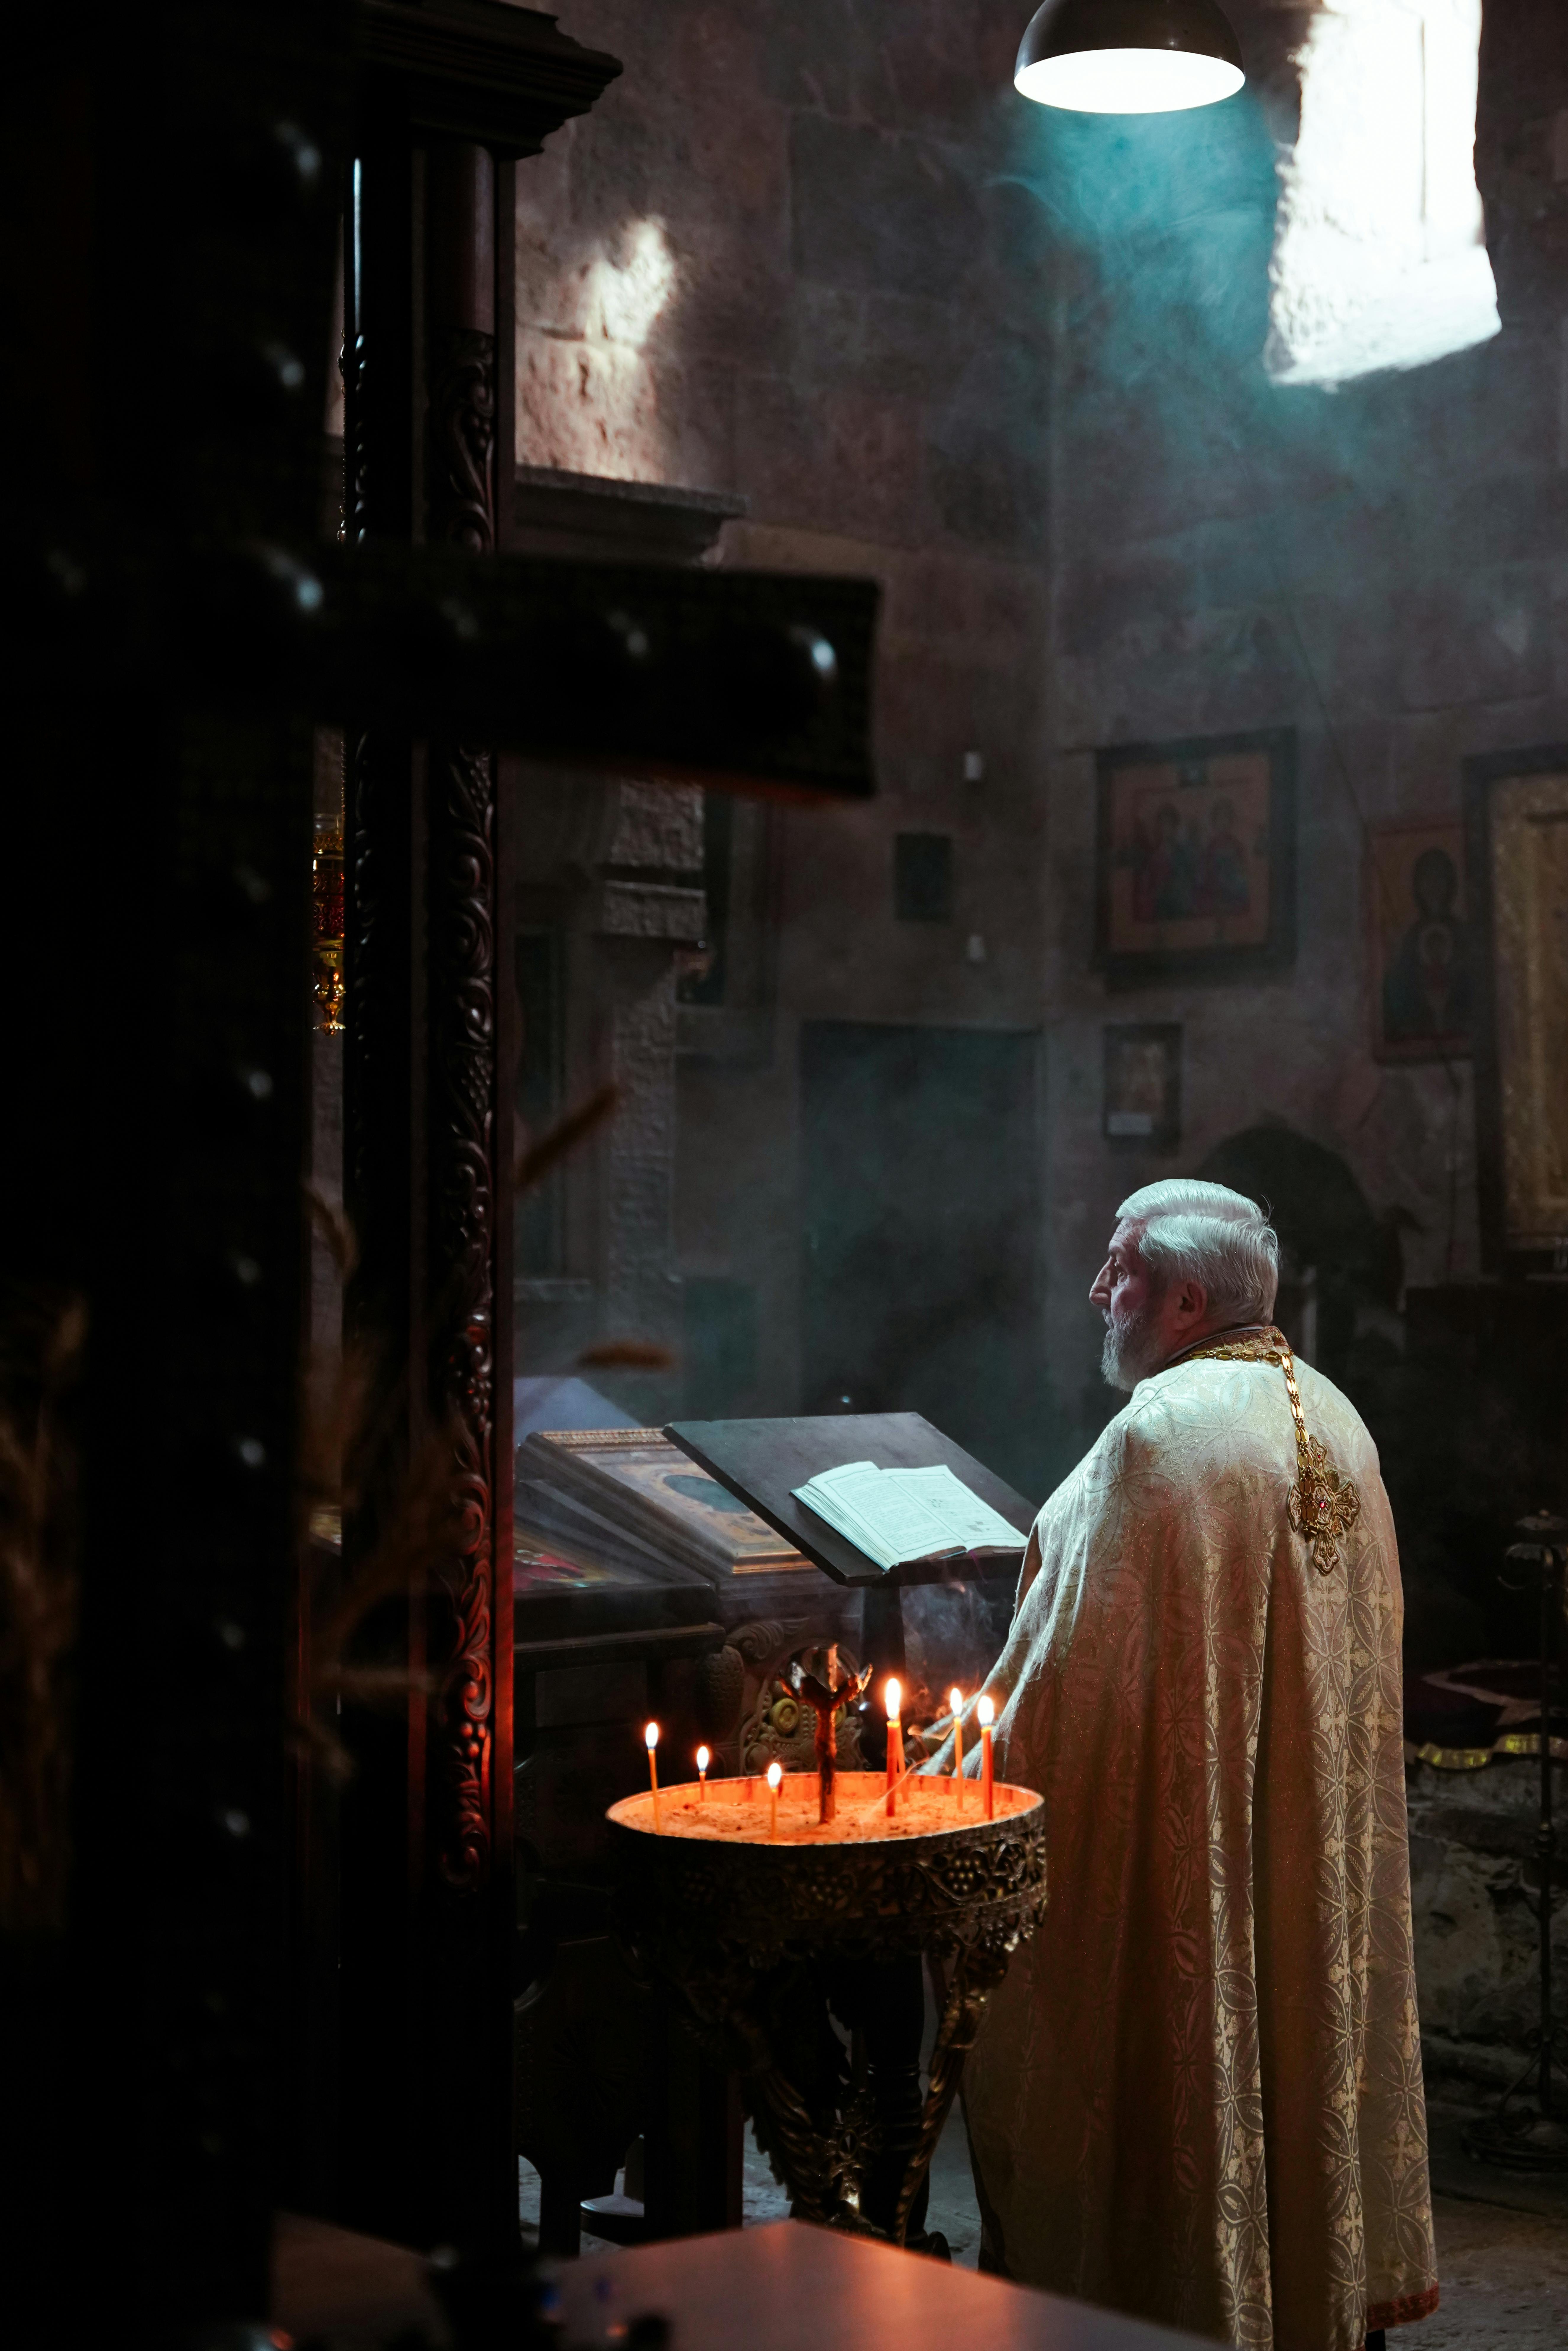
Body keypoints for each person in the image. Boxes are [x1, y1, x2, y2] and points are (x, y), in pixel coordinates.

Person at [943, 1179, 1437, 2351]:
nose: (1096, 1291)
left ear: (1182, 1297)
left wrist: (934, 1757)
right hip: (1303, 1863)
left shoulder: (1160, 1435)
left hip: (1199, 1869)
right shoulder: (1338, 1414)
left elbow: (1055, 1686)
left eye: (1116, 1269)